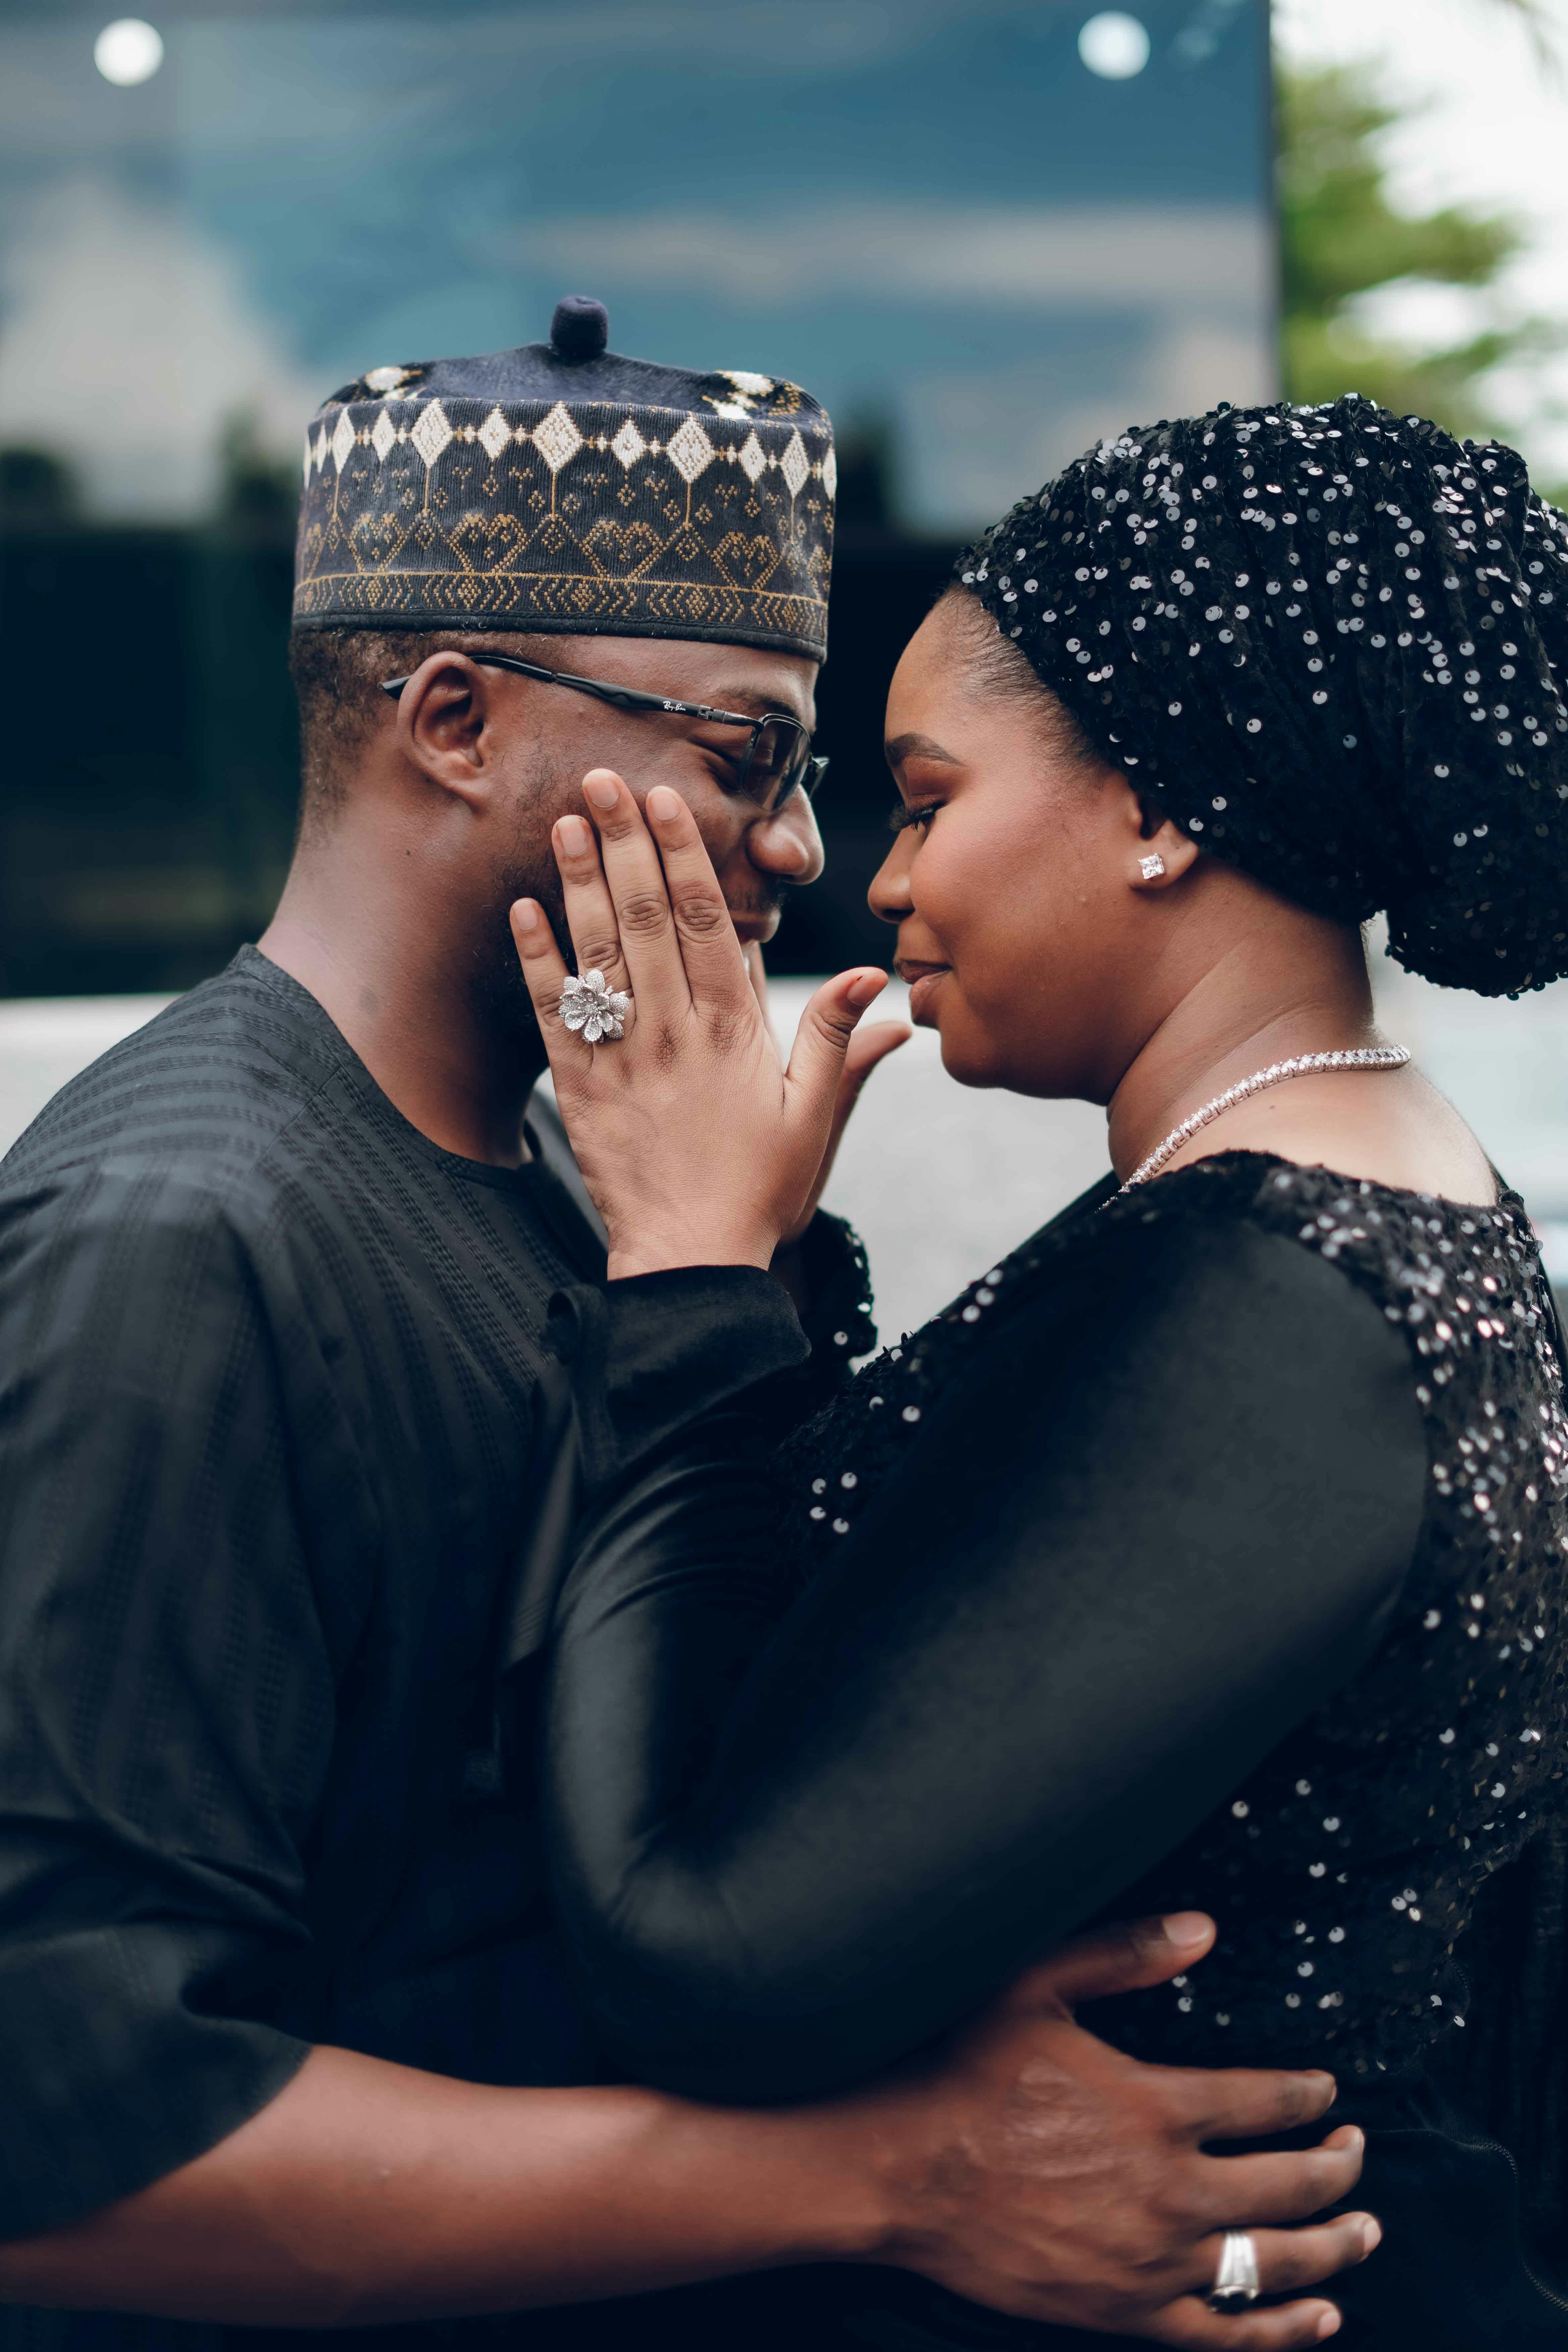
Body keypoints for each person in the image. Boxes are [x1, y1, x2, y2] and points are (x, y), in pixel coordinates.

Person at [0, 312, 1366, 2352]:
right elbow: (70, 2156)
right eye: (742, 759)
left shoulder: (585, 1172)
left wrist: (749, 1275)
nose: (806, 849)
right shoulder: (175, 1231)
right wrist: (897, 2181)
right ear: (454, 720)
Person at [507, 393, 1568, 2349]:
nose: (881, 882)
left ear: (1165, 805)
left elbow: (707, 1953)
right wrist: (777, 1250)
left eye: (925, 797)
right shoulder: (1376, 1203)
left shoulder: (1268, 1292)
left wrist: (684, 1271)